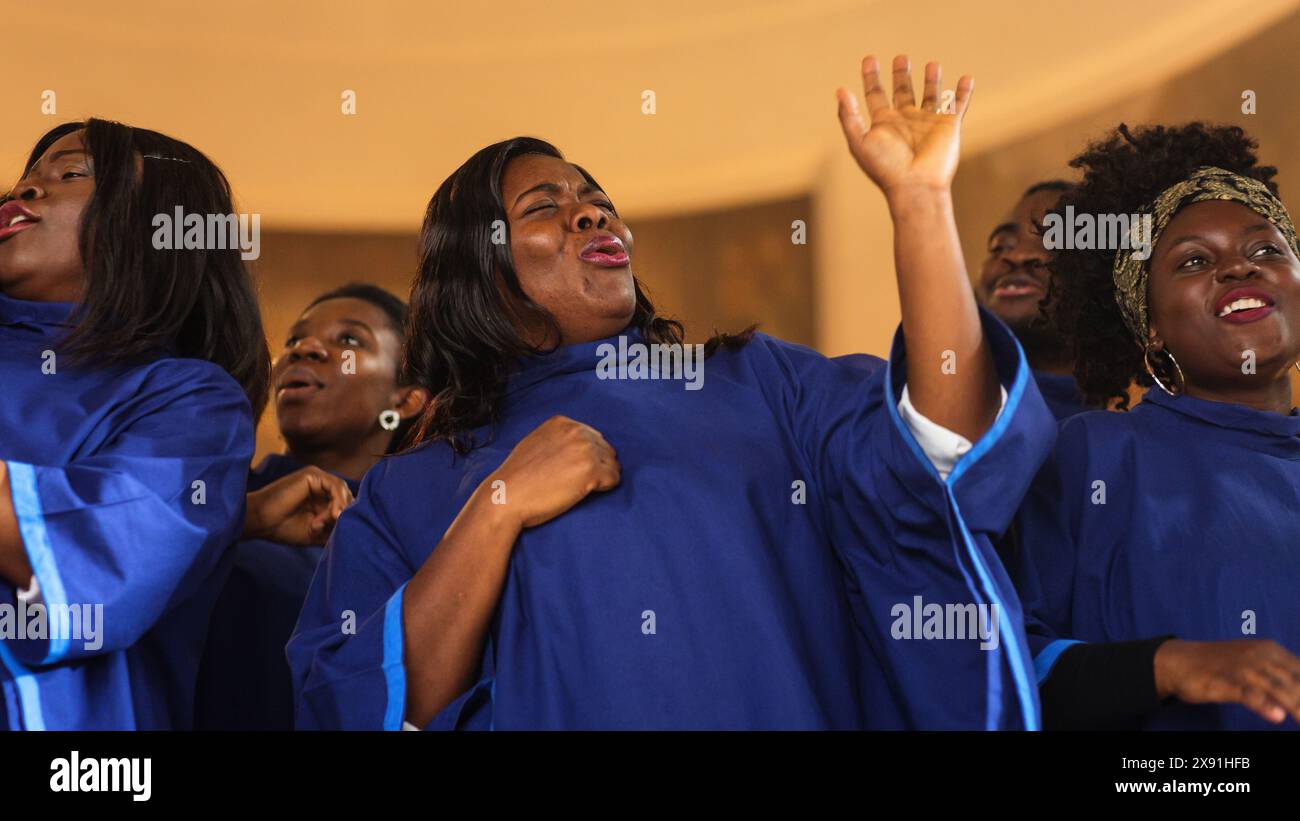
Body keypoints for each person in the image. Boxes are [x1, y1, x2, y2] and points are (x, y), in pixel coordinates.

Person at [289, 54, 1057, 730]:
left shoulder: (761, 383)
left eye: (593, 197)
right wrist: (500, 507)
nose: (591, 210)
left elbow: (947, 453)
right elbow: (365, 706)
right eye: (543, 208)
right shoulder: (408, 490)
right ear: (481, 274)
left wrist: (920, 203)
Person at [1013, 122, 1300, 729]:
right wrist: (1166, 666)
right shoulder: (1096, 454)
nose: (1238, 269)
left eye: (1267, 249)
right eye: (1195, 260)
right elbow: (1000, 660)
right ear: (1151, 326)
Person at [0, 119, 269, 730]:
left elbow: (104, 575)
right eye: (22, 181)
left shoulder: (192, 400)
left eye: (69, 174)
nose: (24, 191)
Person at [195, 283, 427, 730]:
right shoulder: (203, 489)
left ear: (405, 399)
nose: (307, 349)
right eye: (294, 341)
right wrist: (248, 515)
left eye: (349, 340)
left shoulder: (415, 538)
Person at [975, 180, 1091, 419]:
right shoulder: (954, 399)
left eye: (1056, 241)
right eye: (1001, 245)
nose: (1017, 255)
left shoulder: (1153, 412)